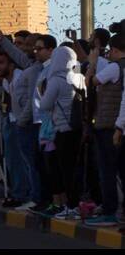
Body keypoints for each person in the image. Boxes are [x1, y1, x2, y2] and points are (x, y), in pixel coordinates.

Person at [38, 45, 83, 220]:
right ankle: (74, 204)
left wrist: (43, 92)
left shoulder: (56, 79)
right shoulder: (77, 76)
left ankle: (71, 205)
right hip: (77, 127)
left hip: (63, 129)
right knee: (74, 169)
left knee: (65, 170)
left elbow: (45, 105)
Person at [87, 32, 125, 227]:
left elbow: (91, 83)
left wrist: (93, 62)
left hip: (108, 125)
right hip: (117, 125)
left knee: (107, 170)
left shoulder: (113, 68)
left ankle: (110, 212)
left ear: (116, 50)